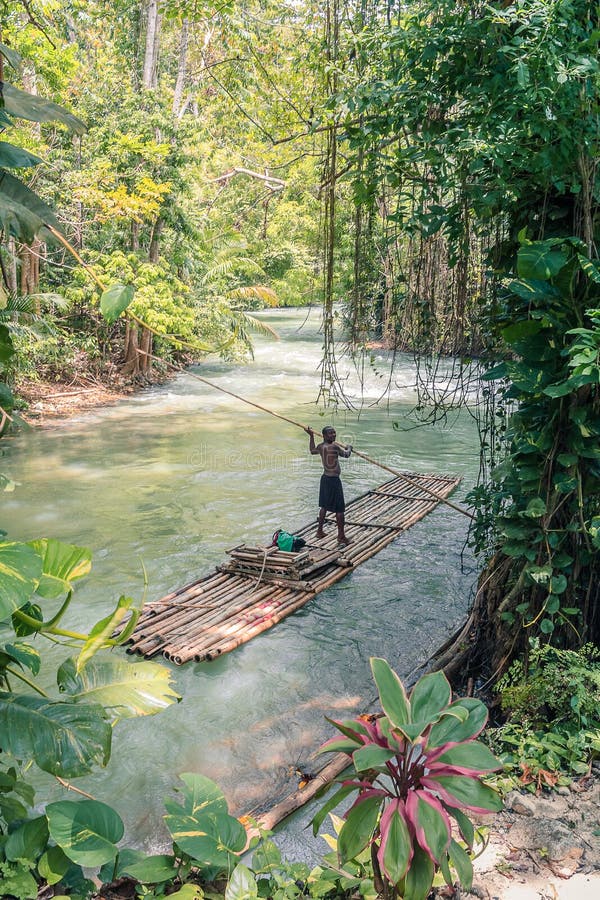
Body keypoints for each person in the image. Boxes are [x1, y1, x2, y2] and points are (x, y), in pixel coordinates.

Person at [305, 425, 352, 545]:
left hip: (325, 479)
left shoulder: (321, 447)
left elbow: (312, 451)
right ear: (325, 436)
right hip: (333, 481)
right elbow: (346, 455)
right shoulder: (334, 447)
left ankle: (319, 531)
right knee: (340, 509)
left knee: (324, 506)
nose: (334, 435)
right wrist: (349, 448)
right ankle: (341, 536)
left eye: (334, 433)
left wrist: (311, 436)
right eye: (331, 433)